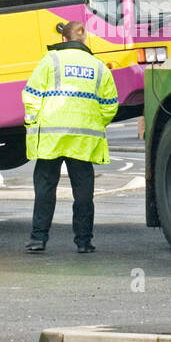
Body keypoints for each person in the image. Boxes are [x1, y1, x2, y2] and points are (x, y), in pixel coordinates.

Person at [22, 20, 119, 253]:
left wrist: (31, 121)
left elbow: (32, 95)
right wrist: (95, 122)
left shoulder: (50, 61)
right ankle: (84, 242)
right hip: (83, 139)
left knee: (45, 188)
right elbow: (110, 105)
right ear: (84, 41)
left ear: (63, 39)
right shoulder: (99, 67)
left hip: (50, 136)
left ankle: (38, 239)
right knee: (83, 192)